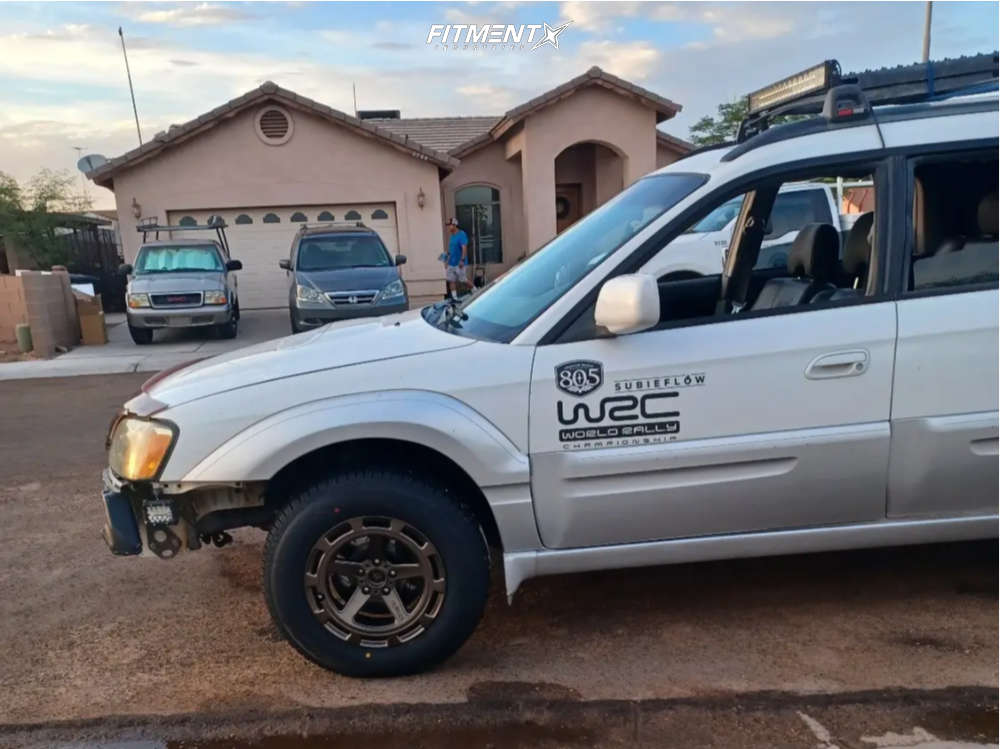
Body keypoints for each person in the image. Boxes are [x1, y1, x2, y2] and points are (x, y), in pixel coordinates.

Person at [442, 218, 469, 299]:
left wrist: (462, 260)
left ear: (454, 225)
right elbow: (451, 249)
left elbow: (464, 247)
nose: (449, 227)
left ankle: (475, 291)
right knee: (451, 280)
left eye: (450, 225)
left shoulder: (461, 234)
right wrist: (446, 260)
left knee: (463, 280)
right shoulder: (452, 236)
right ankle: (454, 298)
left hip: (459, 262)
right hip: (451, 263)